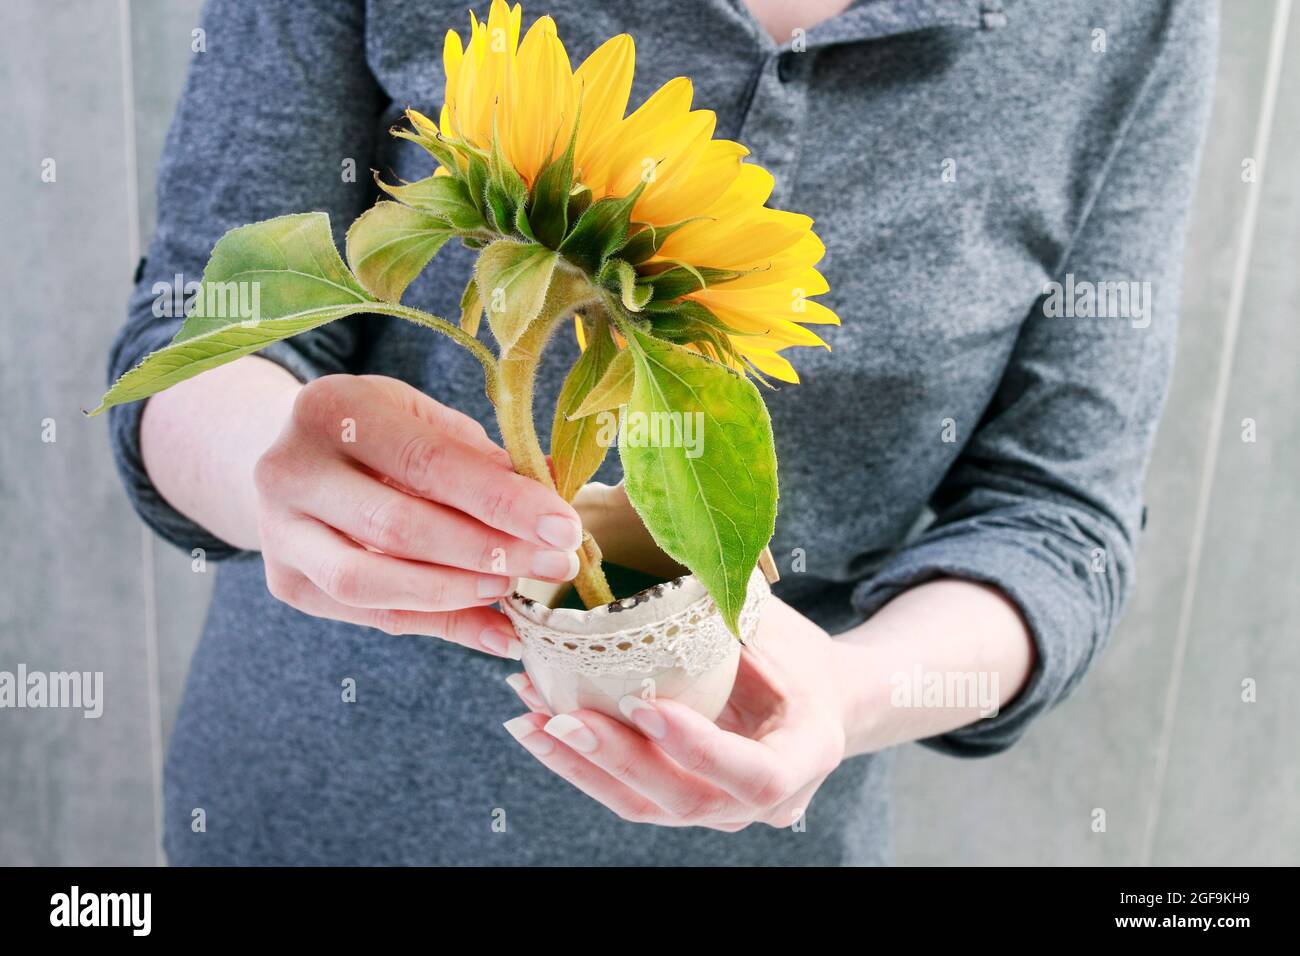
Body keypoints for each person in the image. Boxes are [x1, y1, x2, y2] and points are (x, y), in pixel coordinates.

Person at [109, 0, 1216, 864]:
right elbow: (212, 321)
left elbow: (1055, 516)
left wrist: (838, 693)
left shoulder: (1129, 27)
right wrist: (272, 462)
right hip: (312, 814)